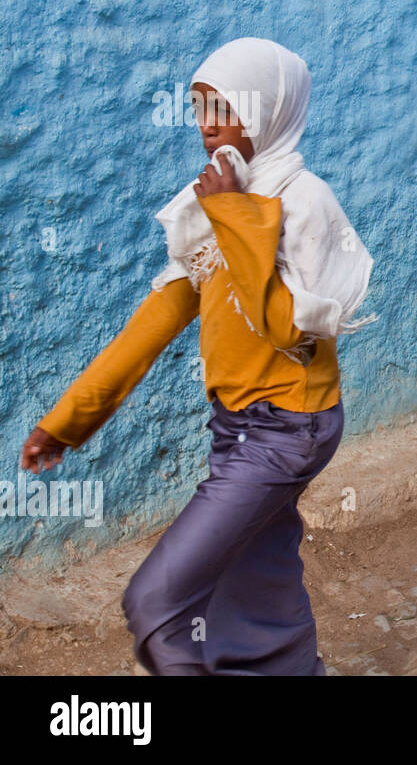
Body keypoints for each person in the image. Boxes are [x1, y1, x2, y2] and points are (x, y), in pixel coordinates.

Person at [19, 38, 375, 674]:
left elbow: (286, 331)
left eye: (226, 109)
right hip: (235, 425)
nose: (210, 129)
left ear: (270, 111)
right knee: (256, 582)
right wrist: (69, 420)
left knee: (155, 601)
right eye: (200, 109)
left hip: (292, 425)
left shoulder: (302, 201)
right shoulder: (213, 206)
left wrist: (233, 212)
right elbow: (154, 322)